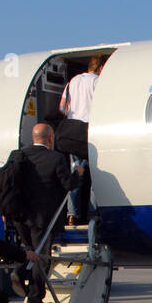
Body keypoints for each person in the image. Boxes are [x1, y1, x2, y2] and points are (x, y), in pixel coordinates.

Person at [17, 123, 77, 303]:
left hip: (19, 216)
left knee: (28, 250)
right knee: (41, 256)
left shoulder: (20, 155)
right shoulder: (56, 158)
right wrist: (79, 174)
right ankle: (35, 298)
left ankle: (18, 273)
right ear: (50, 139)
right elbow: (68, 184)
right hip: (42, 218)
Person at [59, 57, 100, 225]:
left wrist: (71, 114)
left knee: (76, 174)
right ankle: (93, 213)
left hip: (71, 132)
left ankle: (71, 214)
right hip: (89, 131)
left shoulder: (73, 81)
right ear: (100, 67)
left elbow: (61, 107)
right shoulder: (98, 81)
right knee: (96, 176)